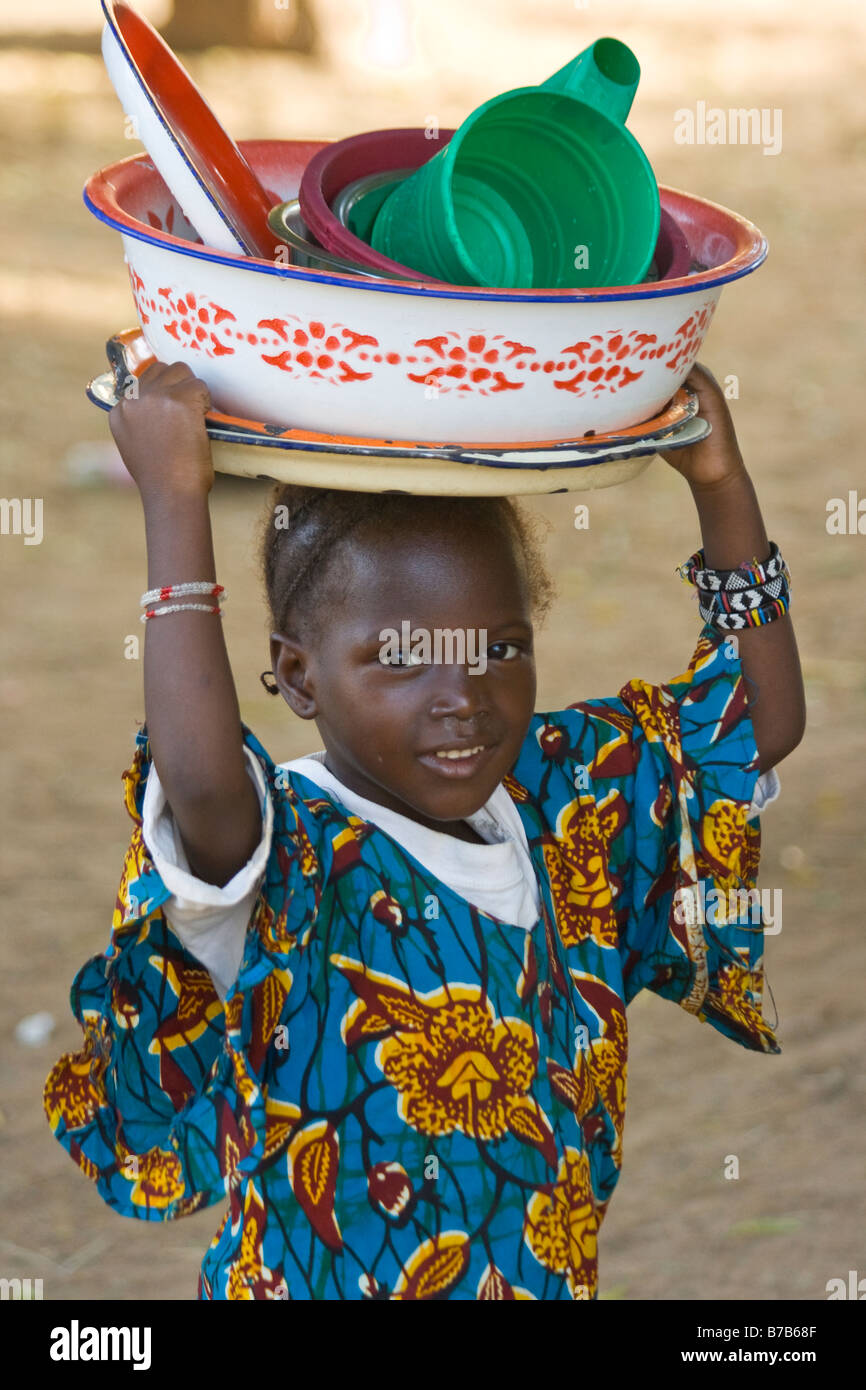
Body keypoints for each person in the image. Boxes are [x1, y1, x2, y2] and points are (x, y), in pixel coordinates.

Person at [44, 360, 805, 1301]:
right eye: (404, 658)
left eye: (502, 648)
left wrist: (720, 483)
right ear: (299, 672)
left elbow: (754, 719)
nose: (465, 698)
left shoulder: (563, 806)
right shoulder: (291, 854)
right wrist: (174, 501)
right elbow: (198, 782)